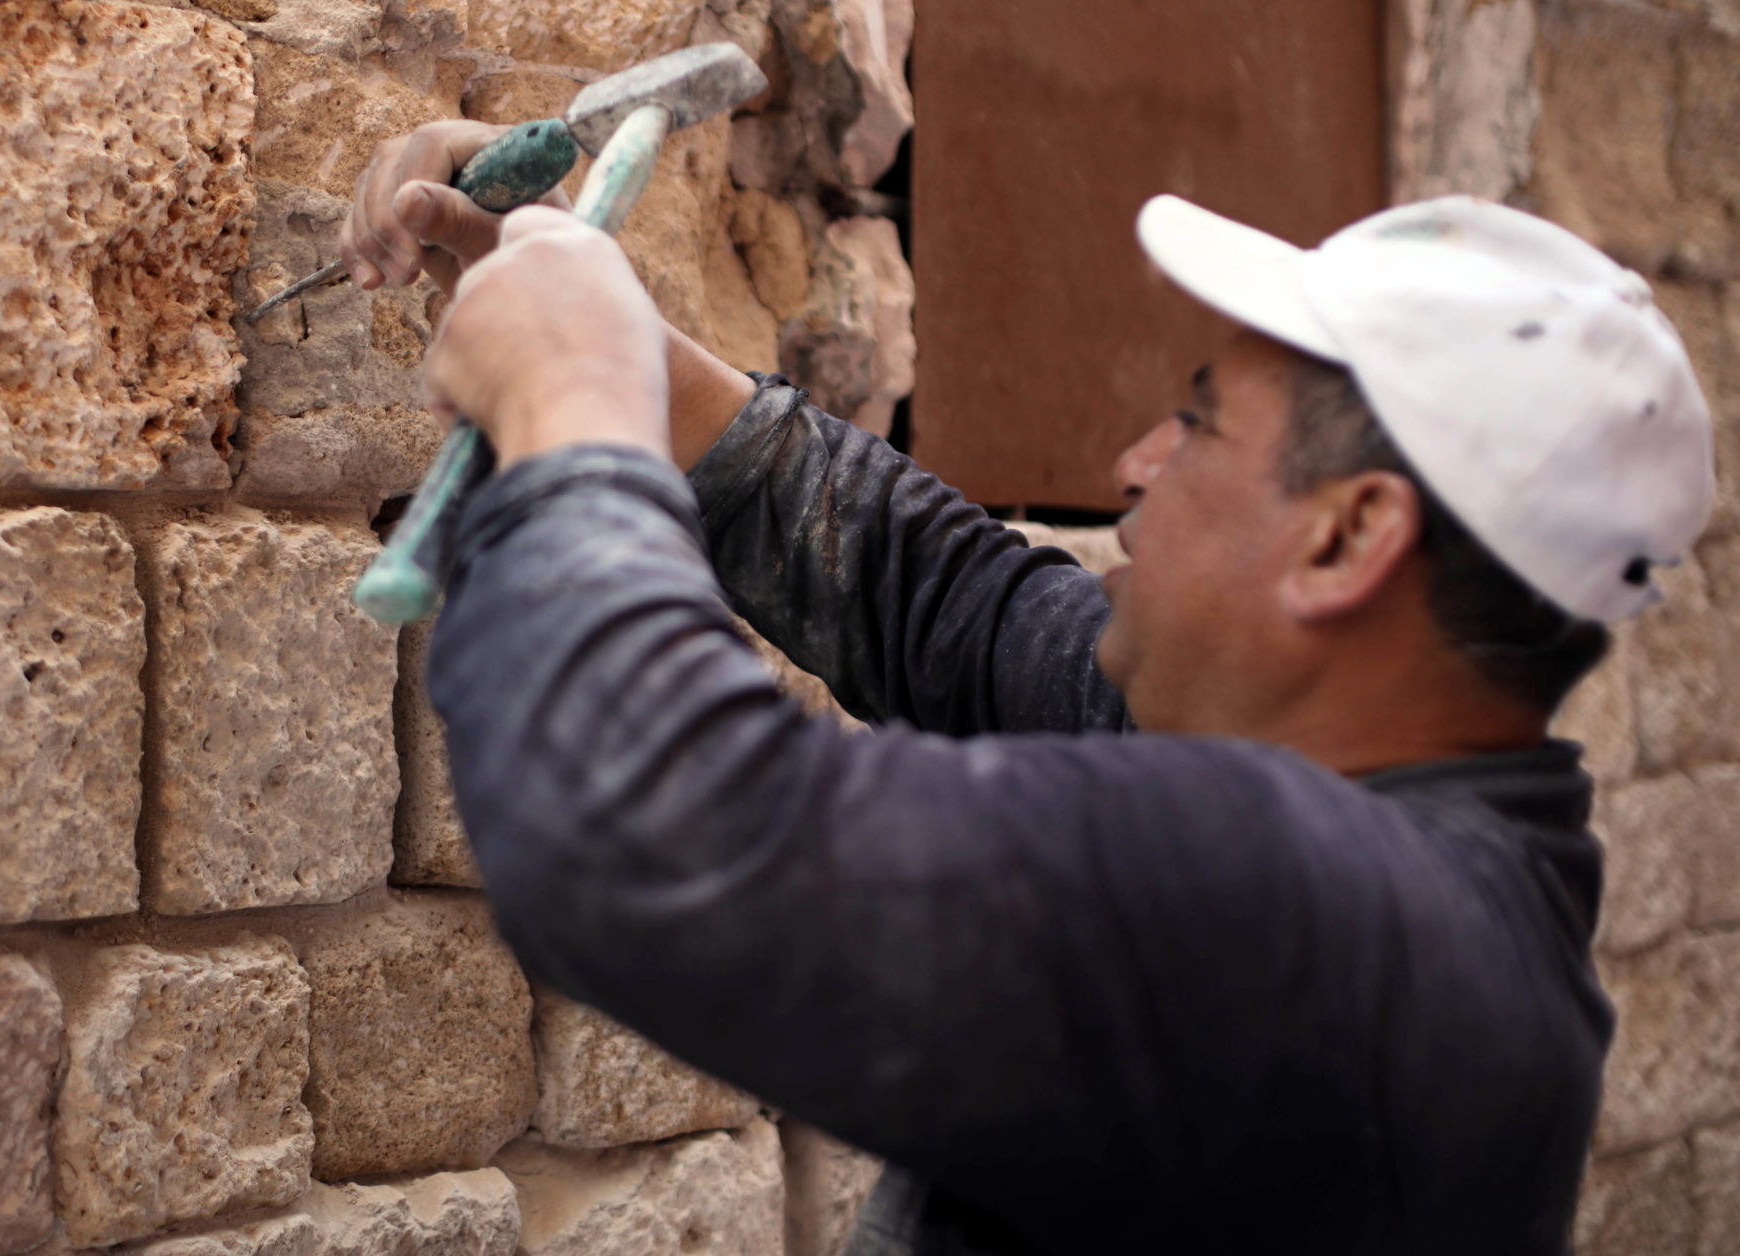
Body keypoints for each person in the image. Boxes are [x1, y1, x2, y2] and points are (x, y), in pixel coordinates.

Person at [336, 122, 1714, 1255]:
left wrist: (568, 404)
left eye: (1198, 421)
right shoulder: (1378, 835)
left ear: (1349, 537)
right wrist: (632, 361)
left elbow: (664, 823)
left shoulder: (1330, 932)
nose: (1134, 464)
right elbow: (955, 605)